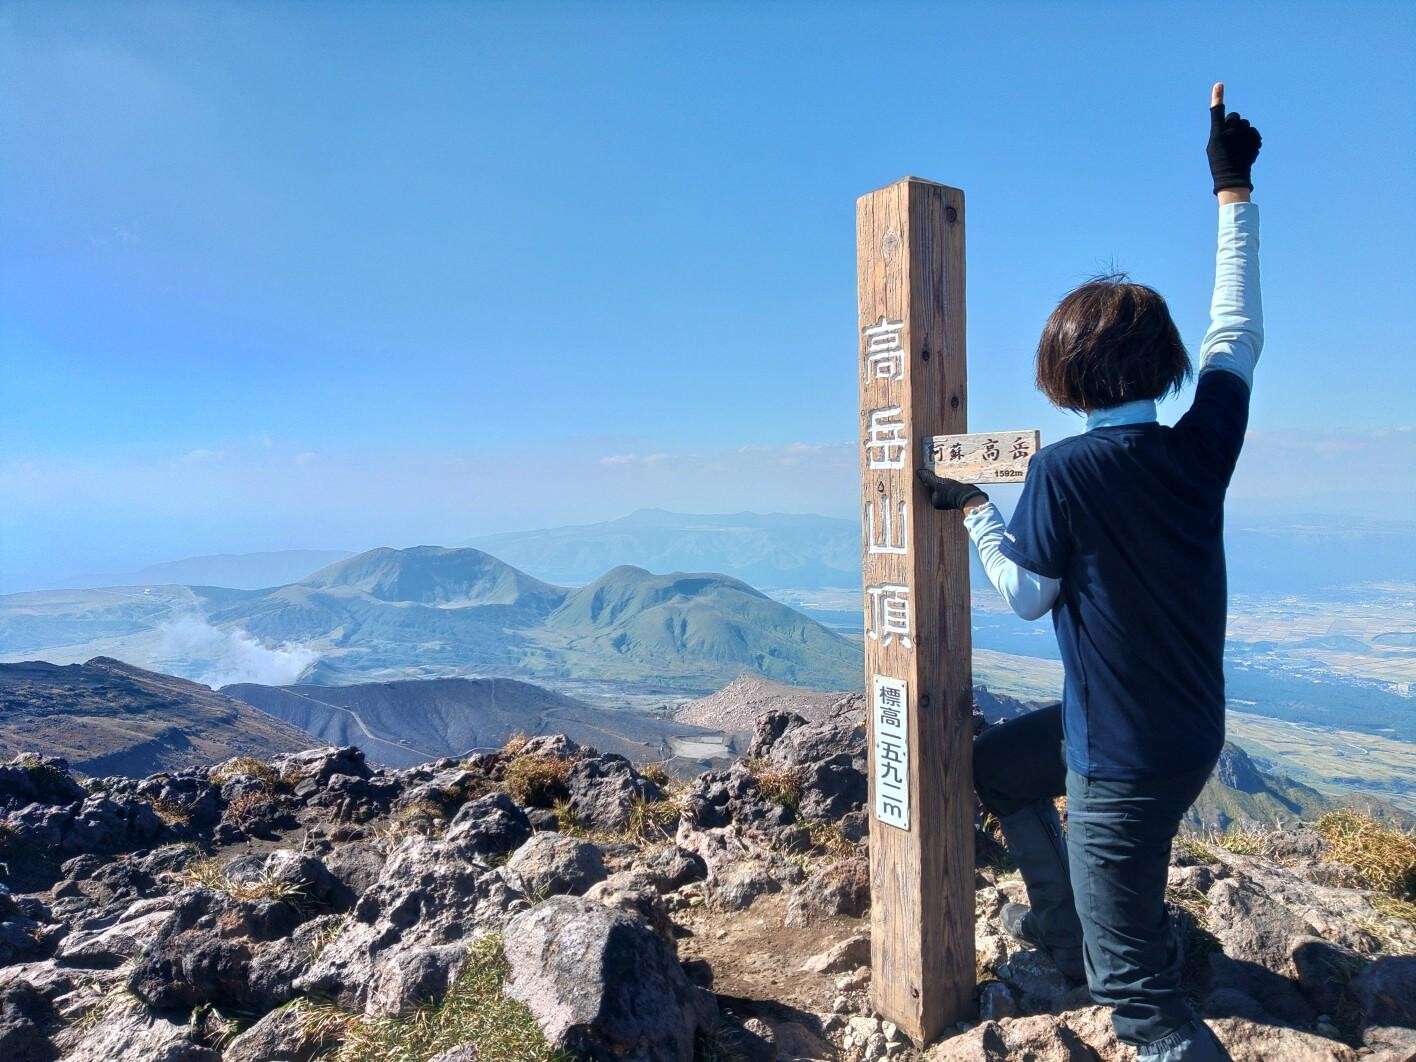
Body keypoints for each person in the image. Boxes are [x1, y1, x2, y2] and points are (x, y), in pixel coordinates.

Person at [916, 83, 1262, 1061]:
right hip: (1178, 732)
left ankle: (1114, 969)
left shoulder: (1068, 469)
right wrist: (1232, 191)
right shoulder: (1201, 444)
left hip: (1120, 762)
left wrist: (980, 516)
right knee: (997, 769)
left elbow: (1028, 595)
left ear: (1067, 371)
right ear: (1158, 365)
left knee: (1138, 998)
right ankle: (1071, 933)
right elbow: (1237, 337)